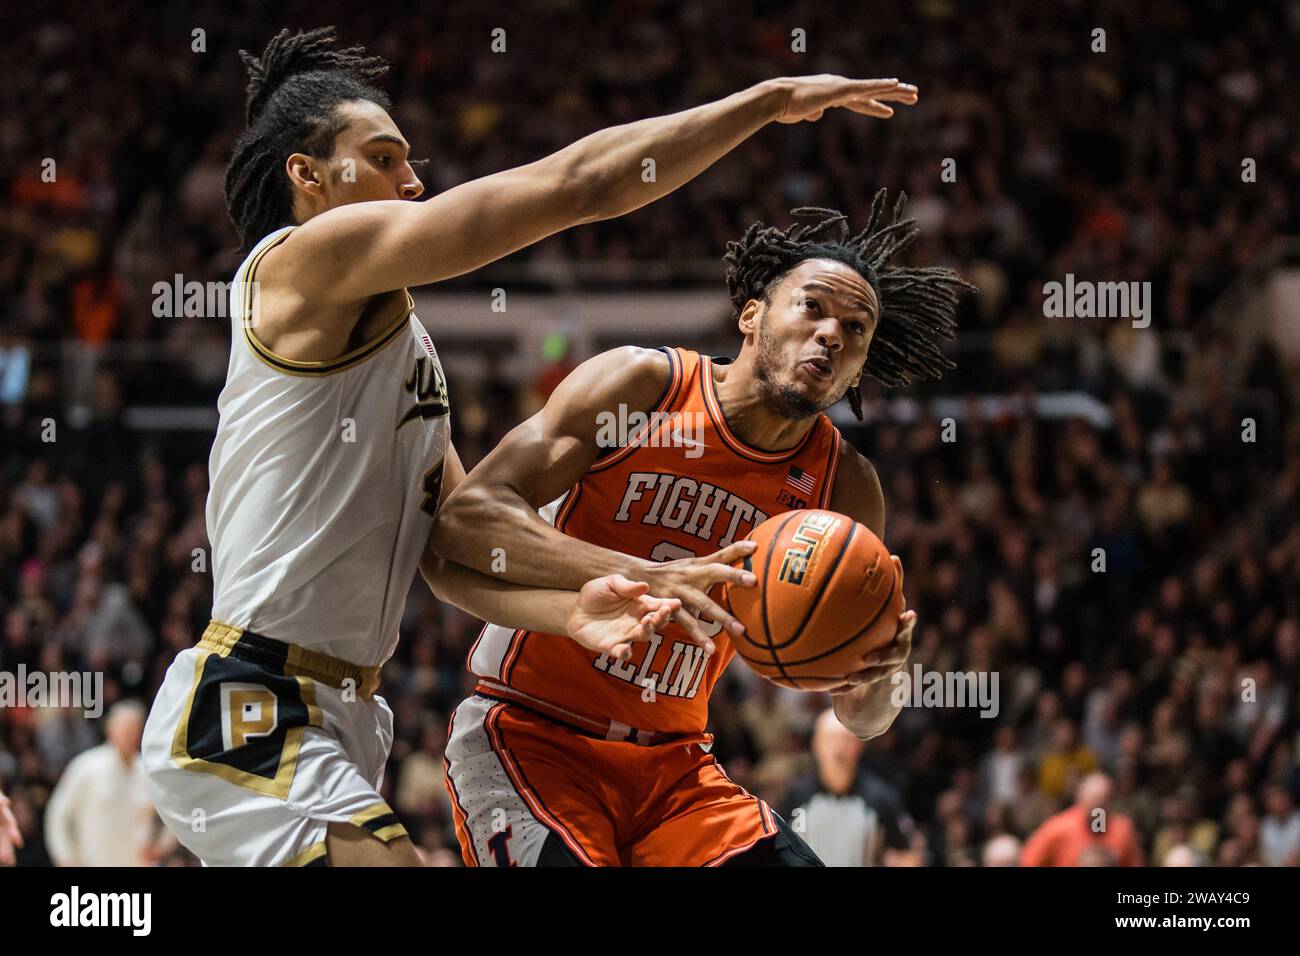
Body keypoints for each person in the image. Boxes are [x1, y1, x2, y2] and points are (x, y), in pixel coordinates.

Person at [140, 25, 921, 867]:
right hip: (250, 693)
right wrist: (765, 104)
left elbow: (452, 554)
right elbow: (575, 185)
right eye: (383, 158)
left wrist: (571, 611)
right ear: (306, 175)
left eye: (410, 162)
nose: (412, 180)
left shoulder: (411, 363)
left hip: (347, 710)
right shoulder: (293, 267)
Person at [433, 193, 973, 865]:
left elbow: (860, 717)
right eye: (812, 307)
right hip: (532, 737)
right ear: (752, 316)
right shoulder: (643, 386)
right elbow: (465, 520)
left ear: (860, 365)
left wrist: (885, 676)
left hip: (677, 772)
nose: (833, 333)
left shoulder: (845, 486)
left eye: (855, 329)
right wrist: (647, 576)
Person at [781, 709, 915, 866]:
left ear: (859, 745)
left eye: (845, 739)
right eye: (830, 739)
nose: (838, 749)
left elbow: (908, 855)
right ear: (815, 745)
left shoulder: (880, 797)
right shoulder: (796, 795)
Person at [44, 702, 163, 866]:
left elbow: (171, 813)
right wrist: (64, 857)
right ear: (110, 729)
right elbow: (58, 813)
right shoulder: (86, 767)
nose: (128, 734)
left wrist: (161, 846)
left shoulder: (149, 772)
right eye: (123, 728)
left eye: (132, 729)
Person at [1020, 772, 1144, 866]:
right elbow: (1028, 861)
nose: (1098, 809)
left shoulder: (1123, 829)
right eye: (1094, 802)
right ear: (1080, 800)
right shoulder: (1058, 827)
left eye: (1103, 802)